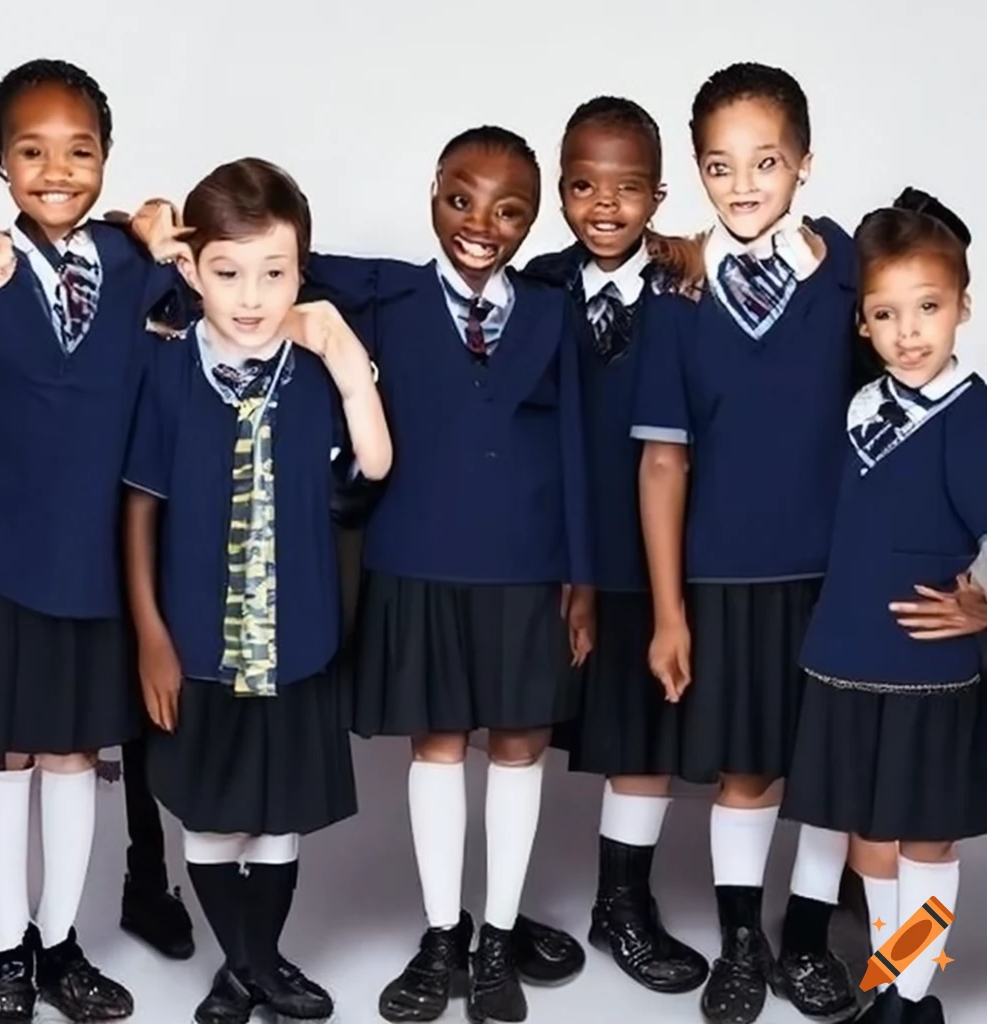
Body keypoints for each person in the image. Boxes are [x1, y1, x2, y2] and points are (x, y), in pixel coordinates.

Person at [305, 125, 592, 1024]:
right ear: (433, 190)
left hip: (526, 569)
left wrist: (582, 578)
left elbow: (578, 449)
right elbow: (264, 257)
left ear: (535, 217)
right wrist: (156, 238)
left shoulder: (553, 308)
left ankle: (498, 937)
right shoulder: (383, 289)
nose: (480, 223)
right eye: (461, 198)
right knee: (435, 748)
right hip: (416, 561)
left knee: (516, 750)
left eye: (509, 210)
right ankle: (443, 937)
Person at [123, 156, 391, 1024]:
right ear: (191, 268)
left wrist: (346, 355)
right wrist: (153, 637)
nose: (250, 296)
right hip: (197, 642)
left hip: (294, 634)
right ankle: (255, 966)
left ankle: (249, 968)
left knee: (276, 820)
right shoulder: (167, 371)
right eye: (227, 273)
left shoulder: (310, 373)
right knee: (209, 818)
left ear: (301, 275)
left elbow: (377, 464)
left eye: (274, 274)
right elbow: (140, 512)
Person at [632, 62, 863, 1024]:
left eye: (765, 162)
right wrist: (669, 612)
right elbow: (662, 467)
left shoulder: (850, 273)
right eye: (720, 167)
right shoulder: (679, 298)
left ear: (804, 165)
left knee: (830, 772)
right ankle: (741, 941)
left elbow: (930, 314)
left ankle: (808, 942)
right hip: (723, 578)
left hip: (837, 576)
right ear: (694, 172)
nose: (743, 186)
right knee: (745, 772)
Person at [0, 58, 186, 1023]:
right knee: (5, 753)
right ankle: (6, 948)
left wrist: (153, 228)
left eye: (79, 150)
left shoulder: (139, 265)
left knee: (72, 756)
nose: (58, 170)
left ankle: (61, 944)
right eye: (32, 152)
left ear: (106, 157)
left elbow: (220, 310)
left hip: (99, 556)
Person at [781, 188, 987, 1024]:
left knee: (925, 840)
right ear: (862, 324)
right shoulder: (862, 403)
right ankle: (886, 980)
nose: (909, 332)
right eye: (887, 313)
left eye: (928, 308)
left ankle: (911, 991)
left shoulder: (972, 414)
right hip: (844, 654)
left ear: (963, 306)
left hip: (926, 667)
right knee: (866, 837)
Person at [521, 96, 708, 995]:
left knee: (643, 738)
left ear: (659, 195)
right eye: (586, 185)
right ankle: (489, 912)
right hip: (543, 555)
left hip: (646, 557)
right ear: (560, 190)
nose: (606, 205)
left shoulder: (689, 290)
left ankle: (621, 906)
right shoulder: (532, 289)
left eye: (629, 188)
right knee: (507, 729)